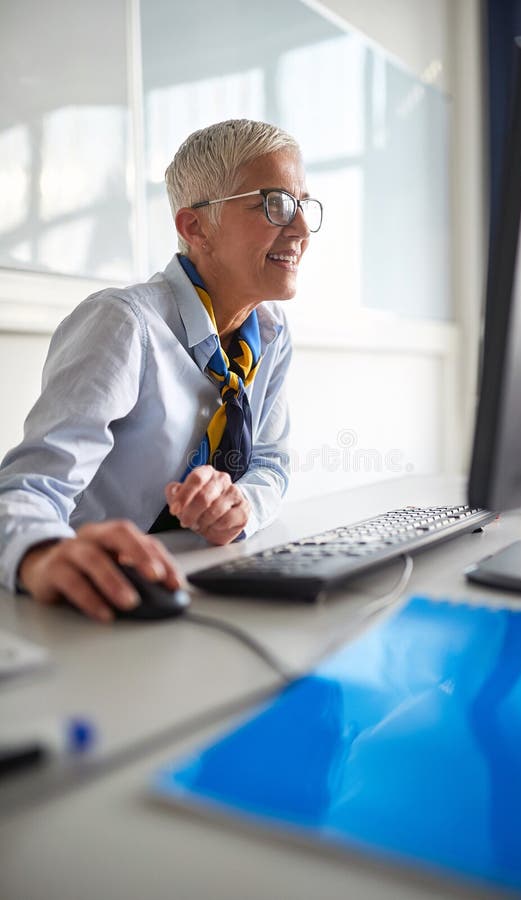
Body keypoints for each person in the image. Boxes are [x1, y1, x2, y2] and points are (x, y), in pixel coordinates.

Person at [0, 119, 322, 622]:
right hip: (98, 603)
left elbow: (271, 463)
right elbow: (29, 487)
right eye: (274, 203)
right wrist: (41, 554)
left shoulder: (271, 331)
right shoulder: (123, 323)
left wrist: (240, 508)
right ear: (195, 227)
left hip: (197, 587)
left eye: (303, 204)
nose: (301, 228)